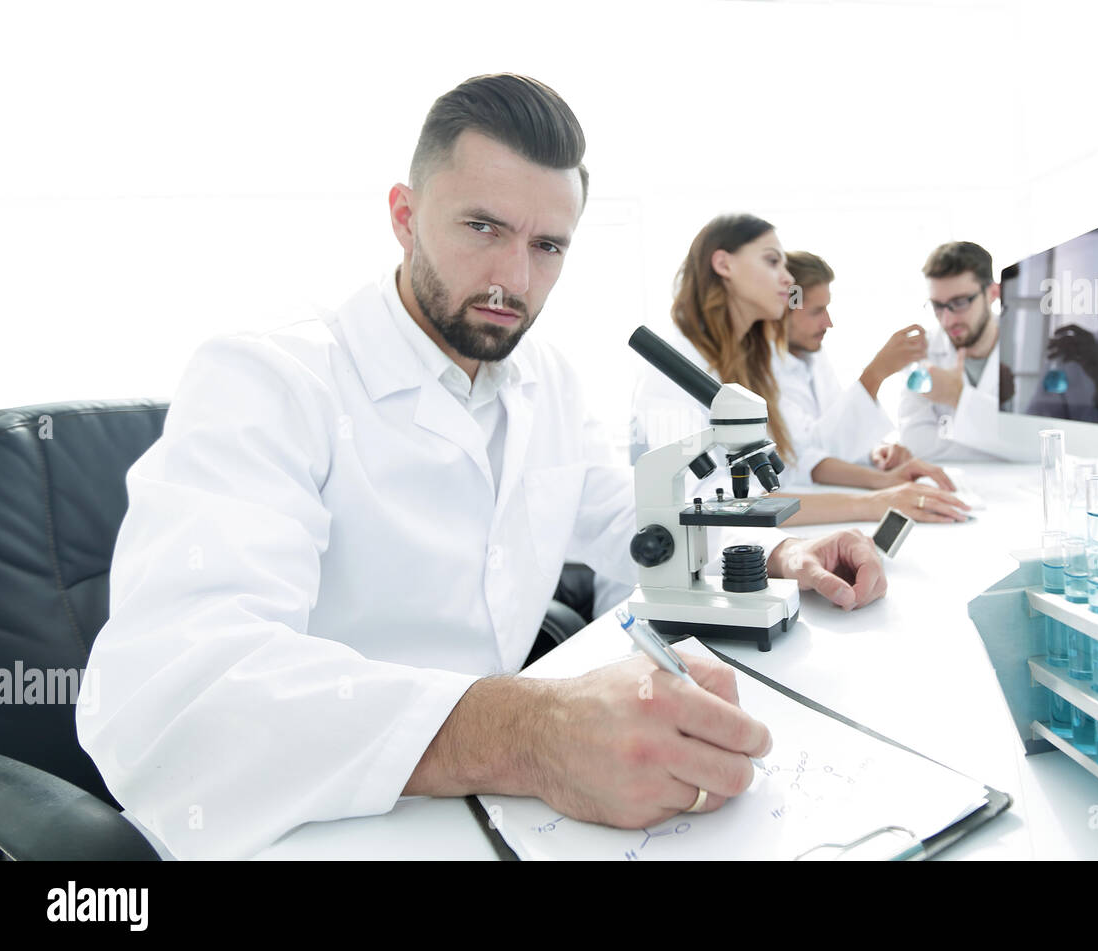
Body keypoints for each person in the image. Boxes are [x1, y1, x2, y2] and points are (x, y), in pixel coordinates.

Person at [76, 75, 887, 860]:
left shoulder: (550, 381)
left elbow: (623, 530)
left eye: (547, 246)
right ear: (404, 214)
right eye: (483, 228)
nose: (514, 280)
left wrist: (775, 554)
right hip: (312, 821)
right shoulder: (269, 378)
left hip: (495, 811)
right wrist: (528, 733)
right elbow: (175, 689)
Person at [631, 214, 969, 524]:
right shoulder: (673, 367)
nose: (788, 278)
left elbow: (794, 457)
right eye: (772, 260)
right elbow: (709, 502)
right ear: (723, 264)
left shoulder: (747, 363)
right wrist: (874, 501)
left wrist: (881, 479)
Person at [775, 250, 957, 495]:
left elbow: (835, 431)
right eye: (817, 311)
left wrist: (875, 452)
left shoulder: (812, 356)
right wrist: (875, 373)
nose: (828, 322)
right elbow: (805, 458)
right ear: (780, 310)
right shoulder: (757, 373)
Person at [894, 241, 1031, 461]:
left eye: (959, 303)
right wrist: (1004, 447)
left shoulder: (1029, 347)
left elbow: (1038, 444)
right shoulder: (921, 353)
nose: (947, 320)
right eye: (938, 306)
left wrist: (957, 396)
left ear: (993, 293)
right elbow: (917, 445)